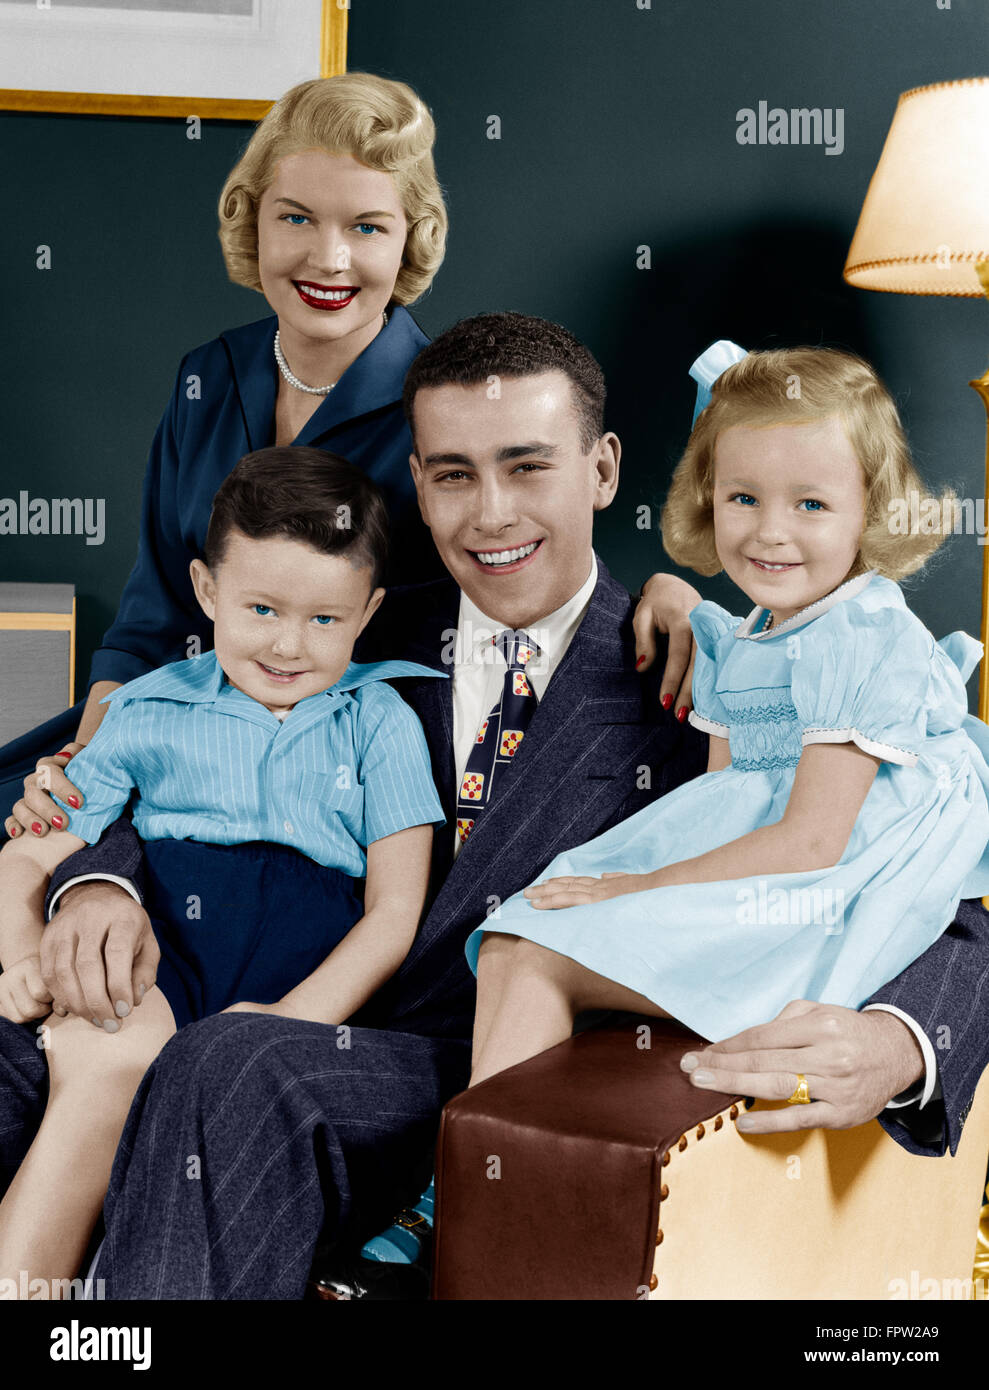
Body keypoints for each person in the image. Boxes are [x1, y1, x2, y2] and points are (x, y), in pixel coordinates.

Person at [26, 315, 988, 1300]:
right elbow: (155, 739)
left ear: (602, 469)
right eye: (452, 474)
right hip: (245, 981)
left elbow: (927, 871)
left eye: (526, 467)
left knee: (223, 1062)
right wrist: (96, 880)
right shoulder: (330, 621)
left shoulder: (700, 668)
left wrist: (899, 1041)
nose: (490, 513)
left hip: (494, 1066)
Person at [1, 70, 699, 843]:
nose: (328, 259)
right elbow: (151, 618)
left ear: (408, 241)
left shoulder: (444, 410)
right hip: (160, 720)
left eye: (366, 227)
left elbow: (521, 578)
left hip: (331, 764)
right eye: (296, 218)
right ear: (253, 223)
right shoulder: (206, 375)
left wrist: (661, 594)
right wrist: (86, 766)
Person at [457, 343, 989, 1092]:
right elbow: (712, 802)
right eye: (743, 498)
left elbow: (811, 841)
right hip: (756, 869)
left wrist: (637, 890)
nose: (770, 532)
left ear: (869, 507)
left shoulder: (861, 633)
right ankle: (488, 1170)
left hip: (821, 897)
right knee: (517, 936)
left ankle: (482, 1185)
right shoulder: (742, 638)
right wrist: (632, 882)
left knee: (530, 949)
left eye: (810, 504)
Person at [0, 448, 445, 1294]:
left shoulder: (379, 718)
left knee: (200, 1102)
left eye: (324, 620)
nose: (287, 644)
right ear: (208, 593)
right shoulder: (146, 707)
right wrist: (24, 961)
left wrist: (290, 1019)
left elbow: (393, 914)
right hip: (160, 964)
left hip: (298, 981)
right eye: (262, 608)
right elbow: (31, 848)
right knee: (106, 1072)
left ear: (368, 611)